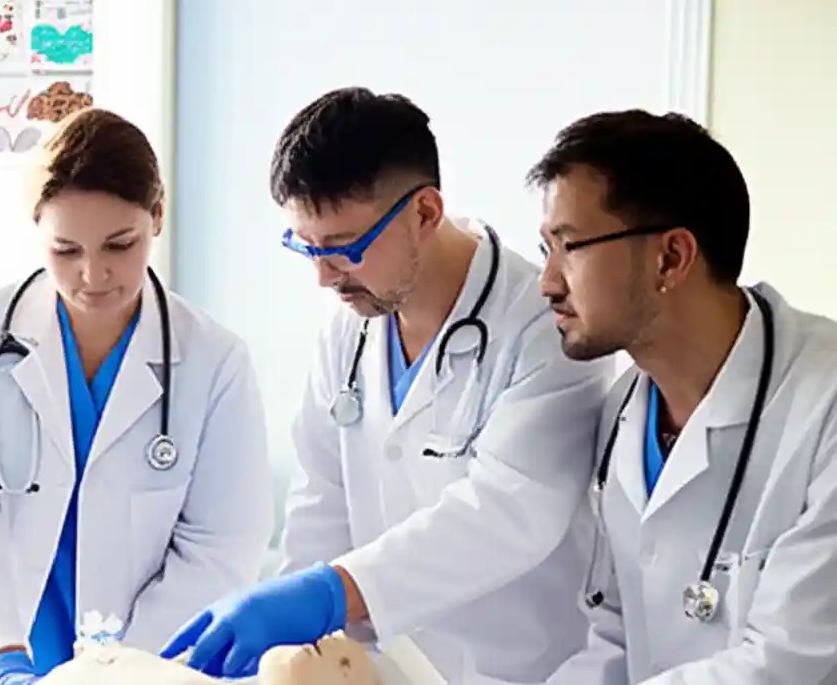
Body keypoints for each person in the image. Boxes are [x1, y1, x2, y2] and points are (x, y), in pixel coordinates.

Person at [161, 87, 612, 682]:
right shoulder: (350, 327)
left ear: (424, 213)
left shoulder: (543, 324)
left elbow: (512, 509)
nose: (324, 277)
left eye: (343, 248)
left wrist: (330, 593)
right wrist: (286, 650)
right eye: (307, 248)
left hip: (513, 671)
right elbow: (321, 502)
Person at [0, 107, 275, 683]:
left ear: (157, 216)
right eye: (66, 250)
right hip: (1, 651)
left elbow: (222, 548)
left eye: (119, 245)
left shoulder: (215, 361)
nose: (93, 275)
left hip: (150, 665)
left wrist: (121, 672)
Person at [531, 111, 837, 683]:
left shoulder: (825, 406)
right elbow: (616, 635)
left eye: (569, 246)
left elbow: (786, 663)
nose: (547, 282)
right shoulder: (624, 411)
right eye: (545, 248)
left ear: (671, 258)